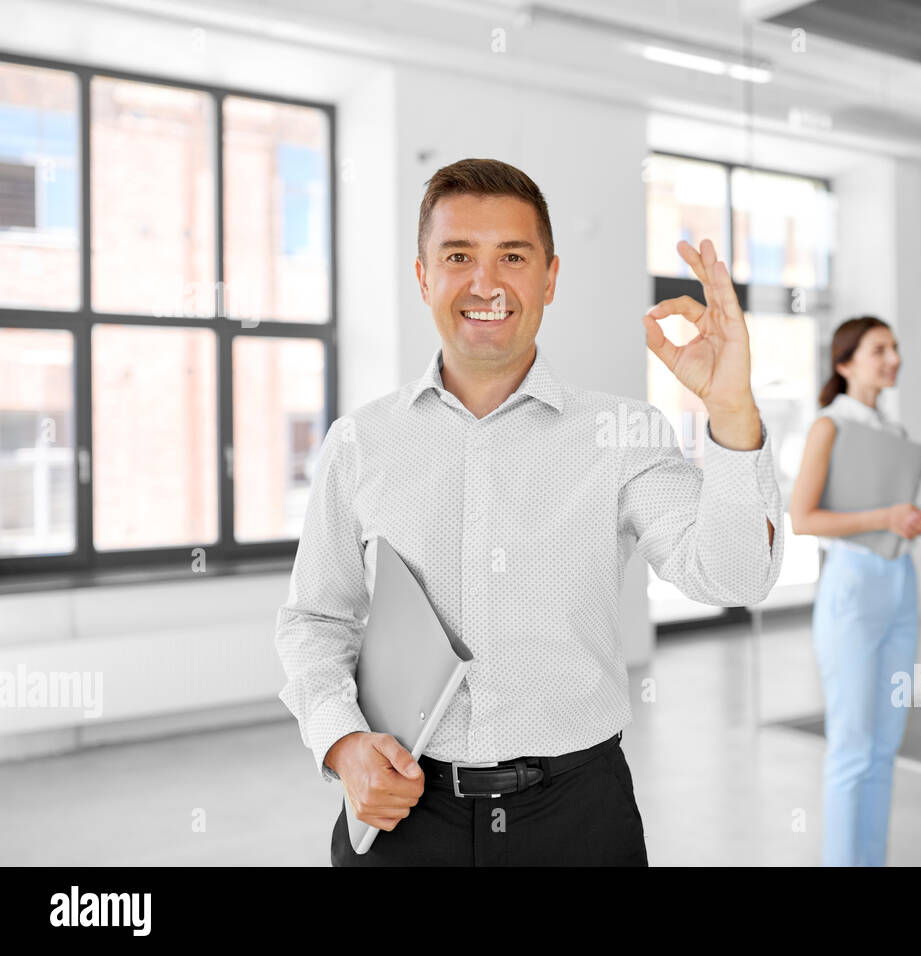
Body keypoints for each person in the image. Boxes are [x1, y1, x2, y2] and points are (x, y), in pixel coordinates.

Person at [274, 158, 784, 866]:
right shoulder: (361, 443)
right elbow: (315, 620)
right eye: (458, 256)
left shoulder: (624, 435)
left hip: (577, 817)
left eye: (512, 257)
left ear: (549, 277)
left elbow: (734, 579)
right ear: (423, 276)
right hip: (404, 817)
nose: (486, 284)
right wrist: (341, 742)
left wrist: (730, 410)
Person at [789, 316, 921, 866]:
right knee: (852, 748)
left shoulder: (892, 432)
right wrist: (885, 515)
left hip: (899, 583)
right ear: (845, 362)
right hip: (852, 589)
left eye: (895, 347)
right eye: (879, 350)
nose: (893, 358)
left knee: (884, 746)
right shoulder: (830, 426)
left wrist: (908, 520)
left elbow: (884, 518)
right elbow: (802, 518)